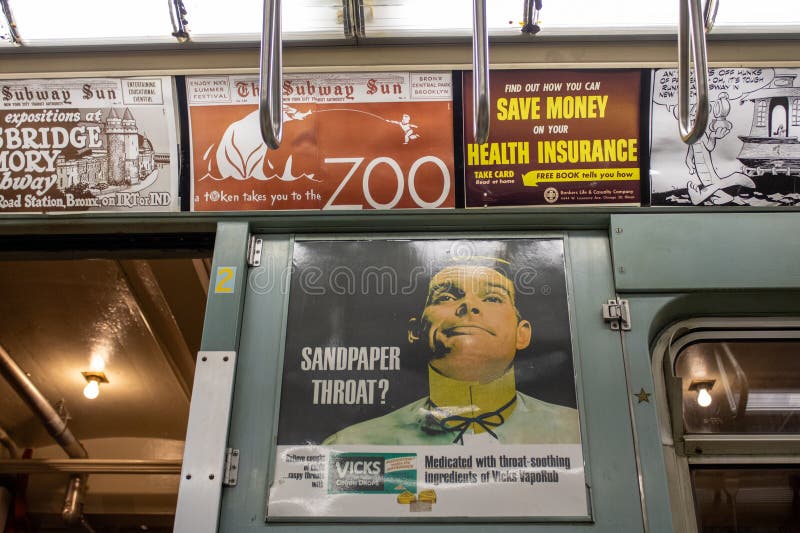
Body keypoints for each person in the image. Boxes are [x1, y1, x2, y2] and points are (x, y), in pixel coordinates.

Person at [323, 257, 580, 445]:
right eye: (446, 297)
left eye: (492, 298)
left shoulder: (575, 433)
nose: (468, 305)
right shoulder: (353, 444)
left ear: (522, 333)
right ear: (416, 331)